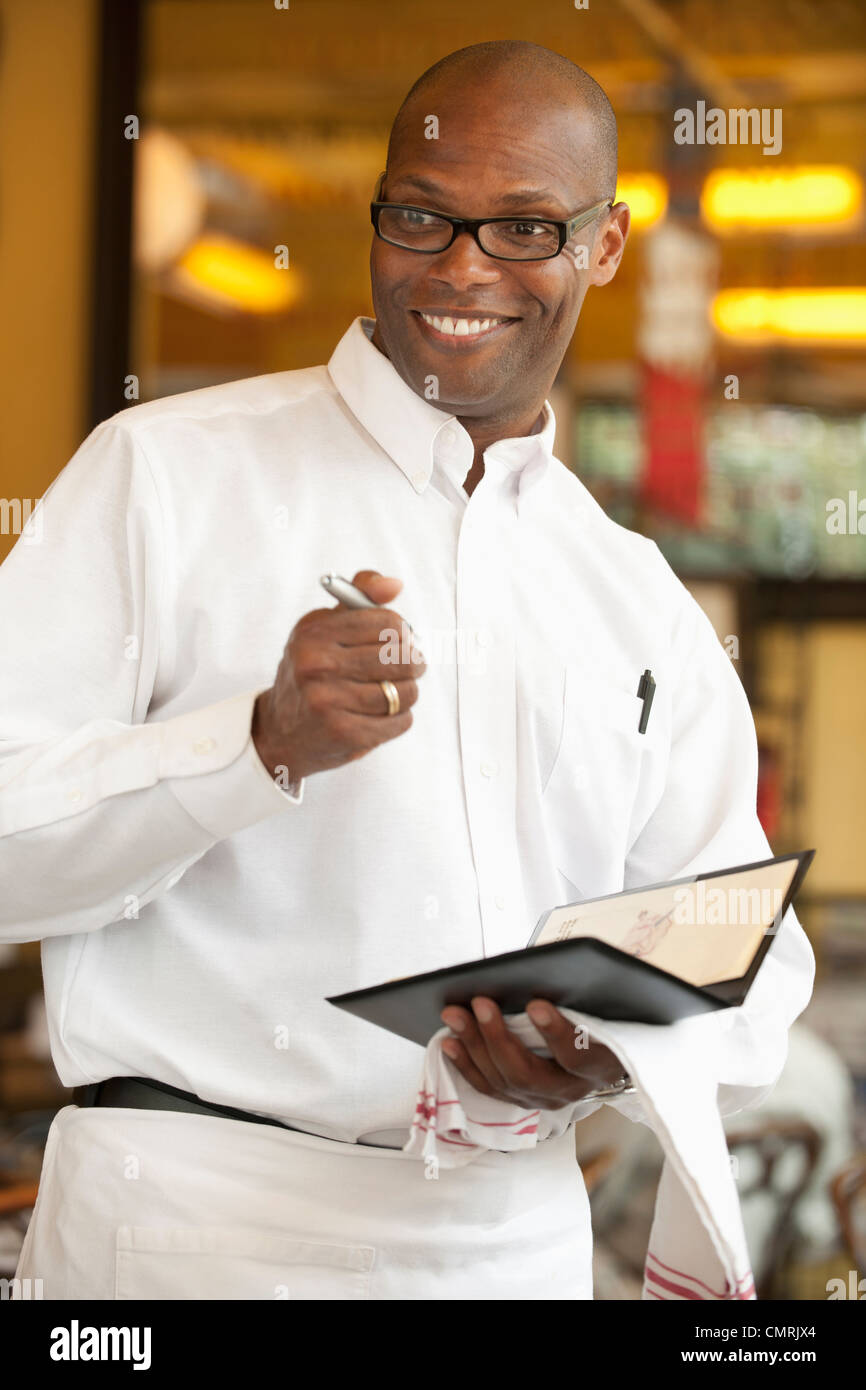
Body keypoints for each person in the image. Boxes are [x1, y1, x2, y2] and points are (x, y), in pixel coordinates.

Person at [2, 39, 813, 1300]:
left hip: (517, 1242)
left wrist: (607, 1048)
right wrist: (255, 743)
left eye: (524, 229)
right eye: (423, 218)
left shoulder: (633, 592)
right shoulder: (163, 475)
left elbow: (737, 936)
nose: (462, 270)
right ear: (376, 212)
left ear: (602, 246)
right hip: (192, 1233)